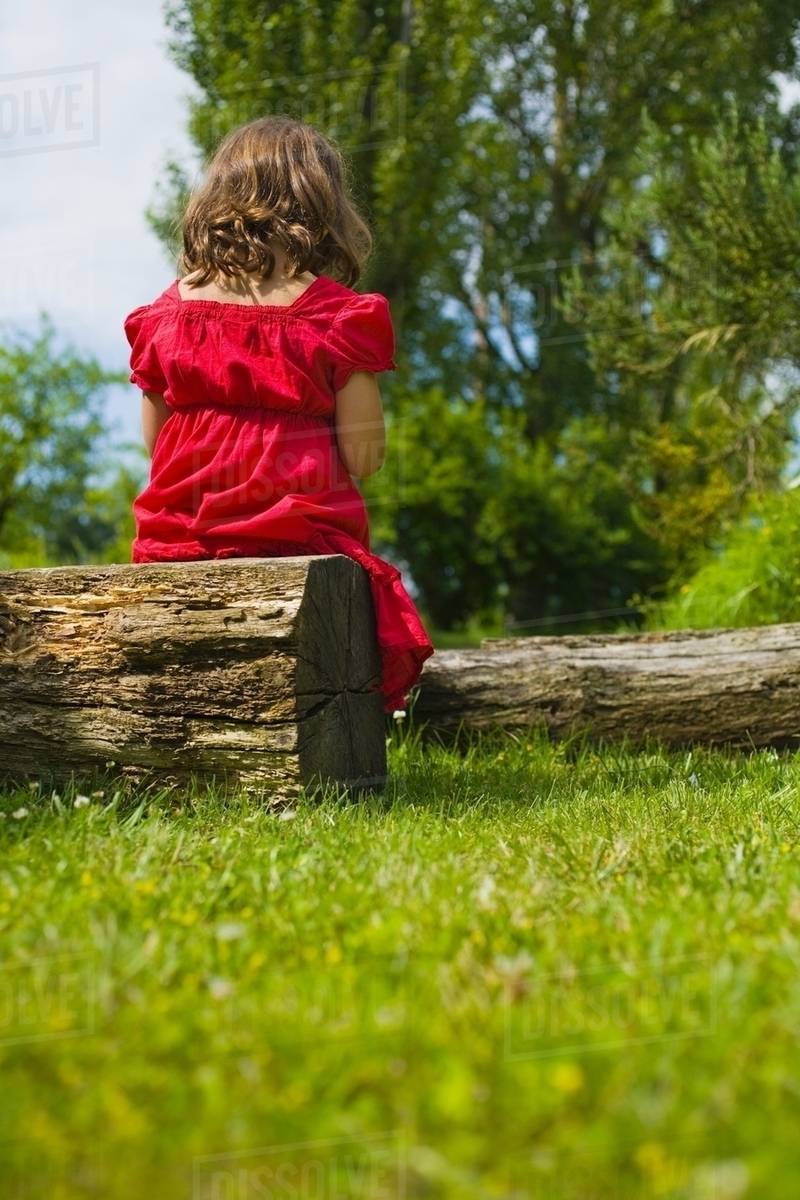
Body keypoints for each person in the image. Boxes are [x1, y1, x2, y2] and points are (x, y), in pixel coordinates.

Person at [123, 115, 433, 714]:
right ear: (319, 204)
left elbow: (155, 448)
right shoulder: (335, 316)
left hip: (182, 539)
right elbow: (365, 459)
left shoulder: (164, 315)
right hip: (301, 538)